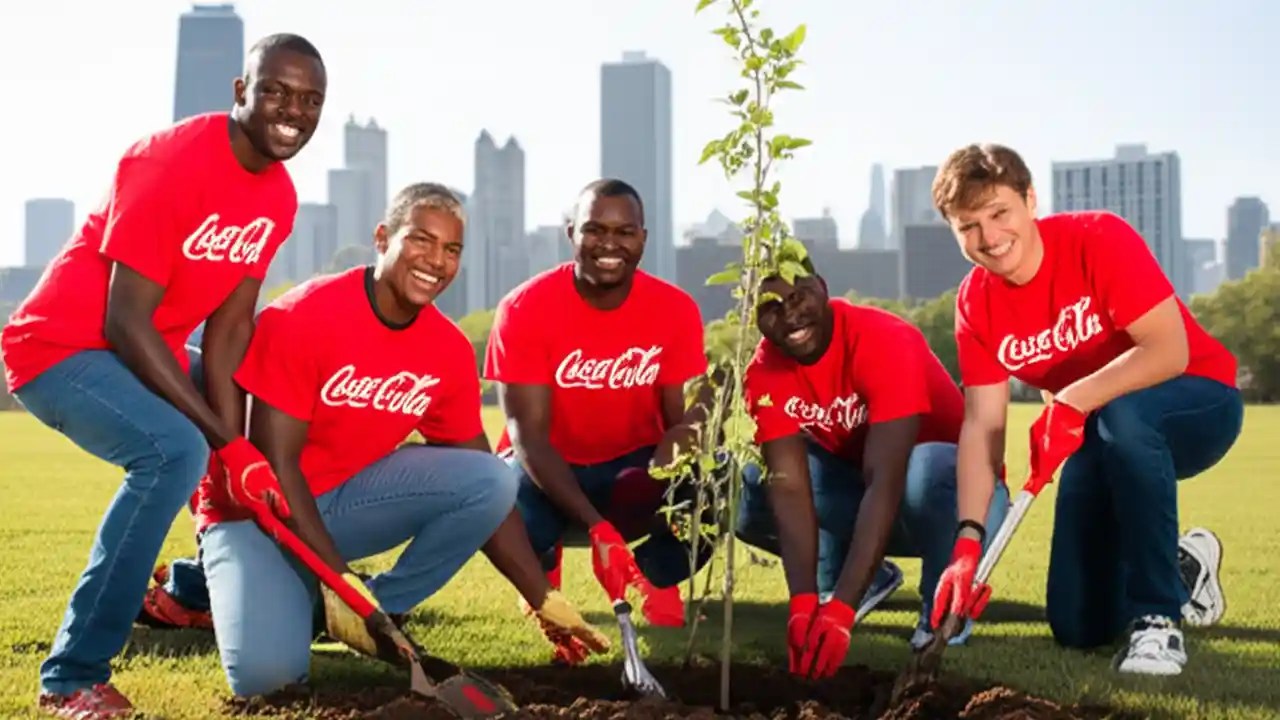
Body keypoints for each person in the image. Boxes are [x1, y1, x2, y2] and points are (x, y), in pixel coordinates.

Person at [0, 34, 327, 718]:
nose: (292, 110)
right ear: (241, 91)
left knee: (252, 421)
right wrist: (222, 441)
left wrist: (240, 443)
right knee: (174, 452)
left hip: (155, 346)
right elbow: (126, 322)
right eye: (275, 91)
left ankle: (192, 594)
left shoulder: (280, 196)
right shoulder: (168, 161)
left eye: (309, 100)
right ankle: (72, 676)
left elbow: (232, 327)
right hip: (61, 348)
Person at [192, 182, 609, 696]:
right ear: (383, 237)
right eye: (421, 240)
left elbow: (488, 489)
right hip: (256, 514)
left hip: (343, 506)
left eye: (451, 249)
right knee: (267, 679)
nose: (435, 261)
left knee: (491, 477)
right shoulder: (306, 316)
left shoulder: (448, 351)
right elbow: (280, 467)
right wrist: (341, 583)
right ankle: (300, 593)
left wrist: (541, 597)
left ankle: (377, 606)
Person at [928, 143, 1241, 676]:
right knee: (1078, 625)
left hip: (1196, 400)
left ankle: (1158, 623)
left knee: (1124, 416)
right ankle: (1182, 567)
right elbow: (983, 426)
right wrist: (966, 545)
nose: (990, 238)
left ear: (1030, 200)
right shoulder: (974, 304)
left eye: (999, 213)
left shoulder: (1097, 237)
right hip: (1102, 432)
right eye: (968, 226)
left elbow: (1169, 350)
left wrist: (1072, 400)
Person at [734, 261, 1010, 679]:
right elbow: (789, 489)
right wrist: (802, 604)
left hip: (956, 498)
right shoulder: (763, 372)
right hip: (870, 490)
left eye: (798, 296)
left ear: (823, 288)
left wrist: (842, 610)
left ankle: (943, 609)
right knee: (758, 483)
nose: (789, 315)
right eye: (770, 306)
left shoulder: (883, 338)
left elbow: (886, 477)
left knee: (924, 467)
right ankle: (866, 577)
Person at [483, 178, 715, 637]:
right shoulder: (524, 307)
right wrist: (597, 528)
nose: (609, 244)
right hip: (543, 467)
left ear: (642, 239)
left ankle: (653, 574)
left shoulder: (675, 309)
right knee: (495, 500)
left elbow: (678, 421)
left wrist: (695, 435)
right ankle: (542, 569)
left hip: (631, 468)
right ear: (571, 233)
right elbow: (528, 435)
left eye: (624, 232)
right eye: (594, 230)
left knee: (719, 479)